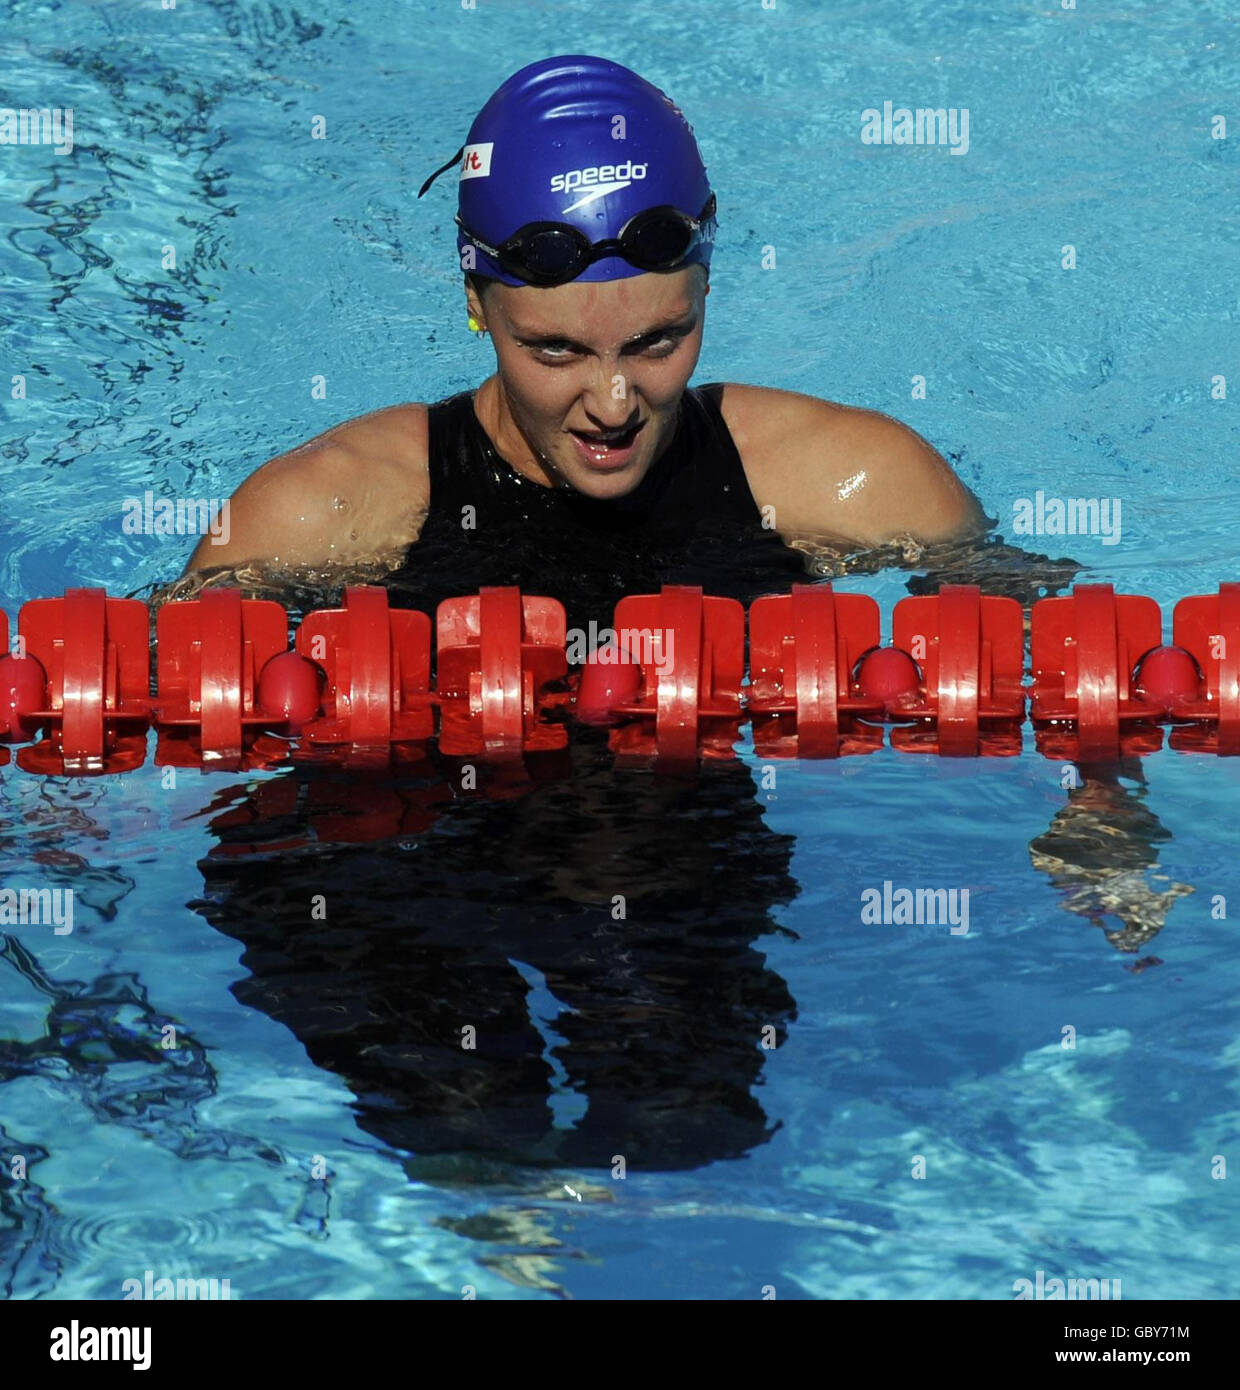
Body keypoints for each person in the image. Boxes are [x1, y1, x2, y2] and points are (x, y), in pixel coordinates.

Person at [183, 54, 984, 604]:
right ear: (475, 299)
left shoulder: (860, 480)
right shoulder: (315, 513)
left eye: (656, 343)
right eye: (555, 350)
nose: (612, 402)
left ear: (705, 286)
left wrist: (1096, 809)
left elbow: (1057, 670)